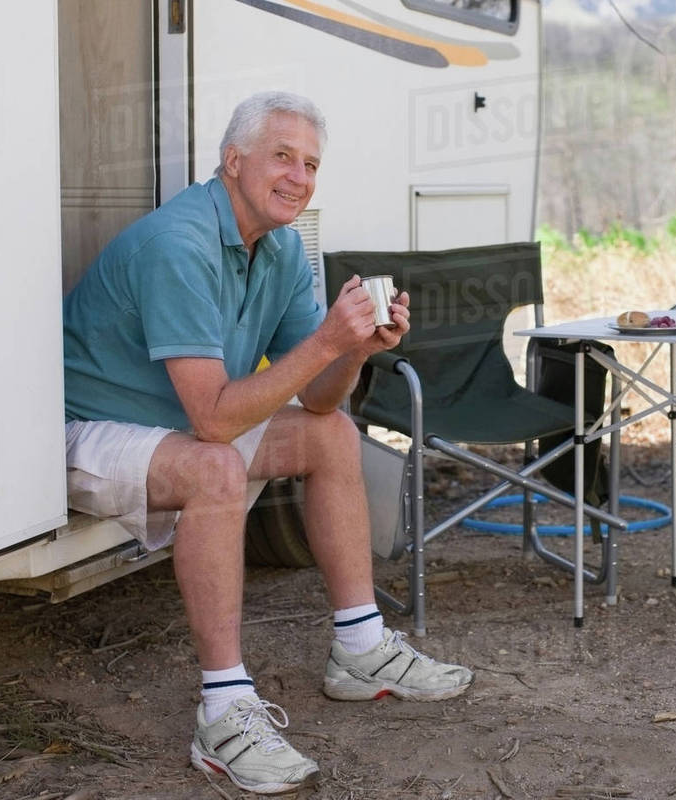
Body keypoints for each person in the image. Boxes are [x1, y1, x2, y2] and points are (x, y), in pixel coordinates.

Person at [61, 91, 472, 795]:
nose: (299, 177)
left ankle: (361, 647)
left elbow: (315, 398)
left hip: (177, 429)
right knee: (216, 467)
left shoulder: (280, 248)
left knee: (331, 434)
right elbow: (217, 423)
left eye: (311, 164)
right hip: (86, 432)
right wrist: (324, 340)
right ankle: (223, 711)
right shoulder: (178, 244)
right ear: (233, 160)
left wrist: (356, 349)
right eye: (283, 156)